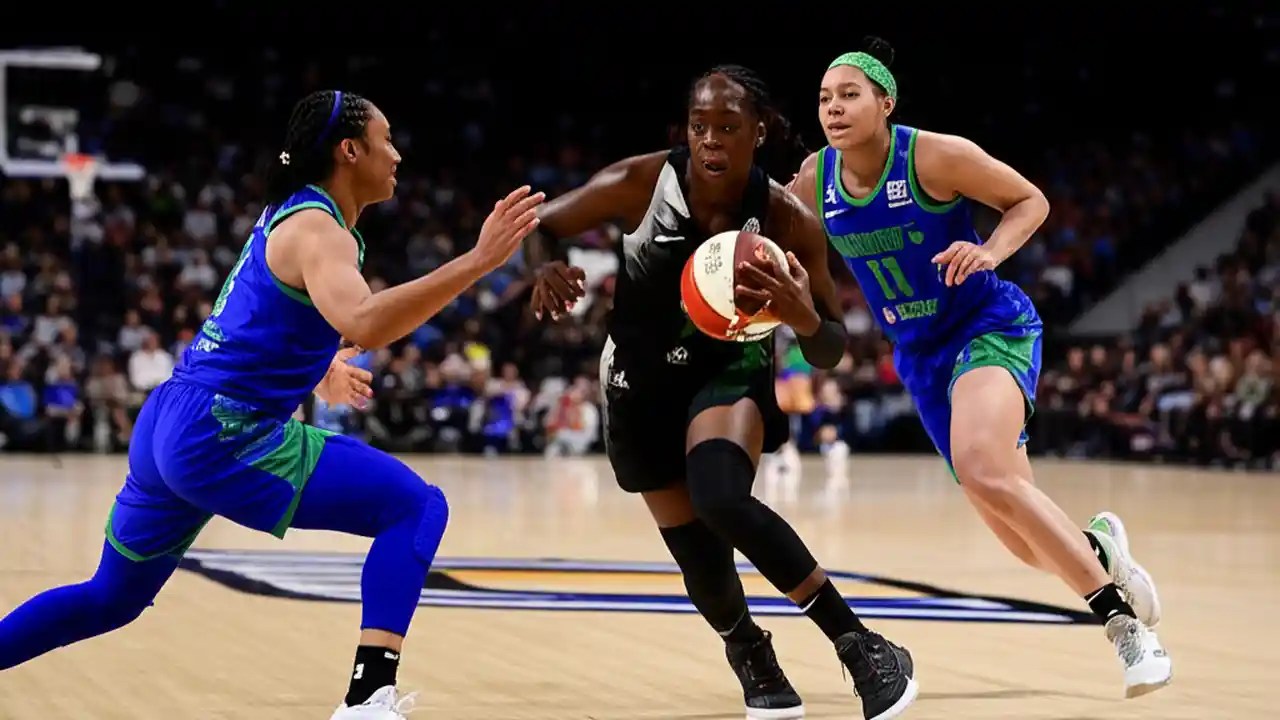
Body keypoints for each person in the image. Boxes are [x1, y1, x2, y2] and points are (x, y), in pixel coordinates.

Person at [0, 89, 544, 720]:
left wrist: (321, 368)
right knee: (415, 506)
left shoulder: (291, 213)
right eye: (386, 140)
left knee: (108, 600)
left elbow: (265, 318)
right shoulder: (320, 229)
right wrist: (478, 262)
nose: (397, 154)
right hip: (222, 432)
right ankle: (368, 700)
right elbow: (364, 321)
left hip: (170, 419)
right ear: (349, 150)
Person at [785, 38, 1172, 699]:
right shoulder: (814, 181)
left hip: (988, 326)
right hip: (919, 355)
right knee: (1019, 540)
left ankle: (1125, 628)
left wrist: (990, 250)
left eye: (849, 95)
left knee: (986, 467)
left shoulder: (933, 155)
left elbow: (1030, 201)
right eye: (825, 98)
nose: (834, 108)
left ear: (885, 102)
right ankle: (1100, 548)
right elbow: (780, 244)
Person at [528, 65, 917, 720]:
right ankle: (750, 652)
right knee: (697, 554)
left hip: (727, 370)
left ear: (758, 133)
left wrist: (798, 315)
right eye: (699, 125)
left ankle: (860, 644)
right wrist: (545, 266)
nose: (710, 139)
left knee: (720, 498)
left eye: (728, 127)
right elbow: (542, 223)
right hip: (638, 379)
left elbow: (830, 346)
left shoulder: (789, 220)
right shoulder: (641, 182)